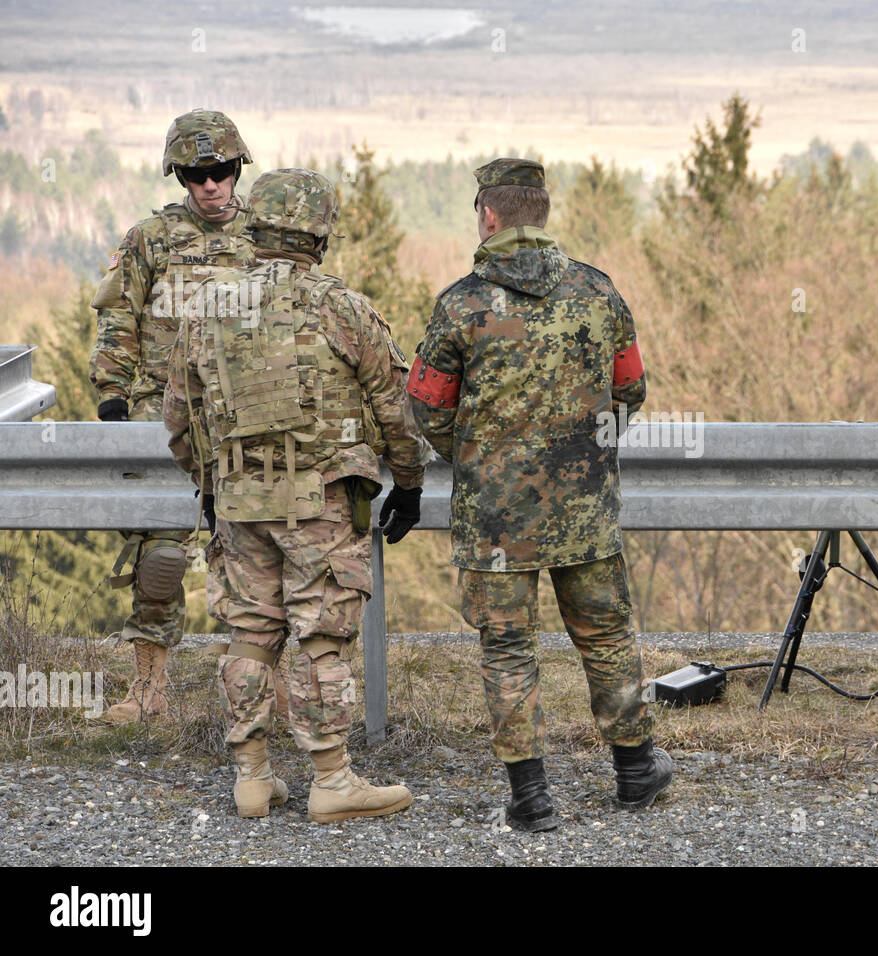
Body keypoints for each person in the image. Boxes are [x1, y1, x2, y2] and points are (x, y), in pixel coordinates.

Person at [408, 157, 672, 831]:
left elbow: (428, 406)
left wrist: (475, 459)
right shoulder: (599, 294)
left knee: (506, 649)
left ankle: (531, 797)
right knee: (607, 634)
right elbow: (632, 388)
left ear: (489, 216)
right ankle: (636, 771)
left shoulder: (460, 305)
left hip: (496, 518)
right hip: (584, 508)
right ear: (541, 213)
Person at [163, 167, 430, 822]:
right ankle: (332, 781)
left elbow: (180, 416)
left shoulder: (209, 308)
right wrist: (411, 481)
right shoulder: (341, 306)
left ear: (256, 225)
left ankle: (252, 779)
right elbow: (396, 409)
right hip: (319, 499)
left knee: (250, 632)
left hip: (238, 496)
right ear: (320, 232)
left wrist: (210, 483)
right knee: (320, 634)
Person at [89, 109, 256, 724]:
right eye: (195, 174)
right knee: (160, 553)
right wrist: (112, 391)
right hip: (163, 412)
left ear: (238, 169)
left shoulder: (269, 235)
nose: (209, 185)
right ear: (179, 177)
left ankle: (266, 690)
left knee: (255, 551)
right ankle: (149, 692)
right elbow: (117, 316)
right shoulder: (150, 239)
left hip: (244, 415)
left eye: (219, 172)